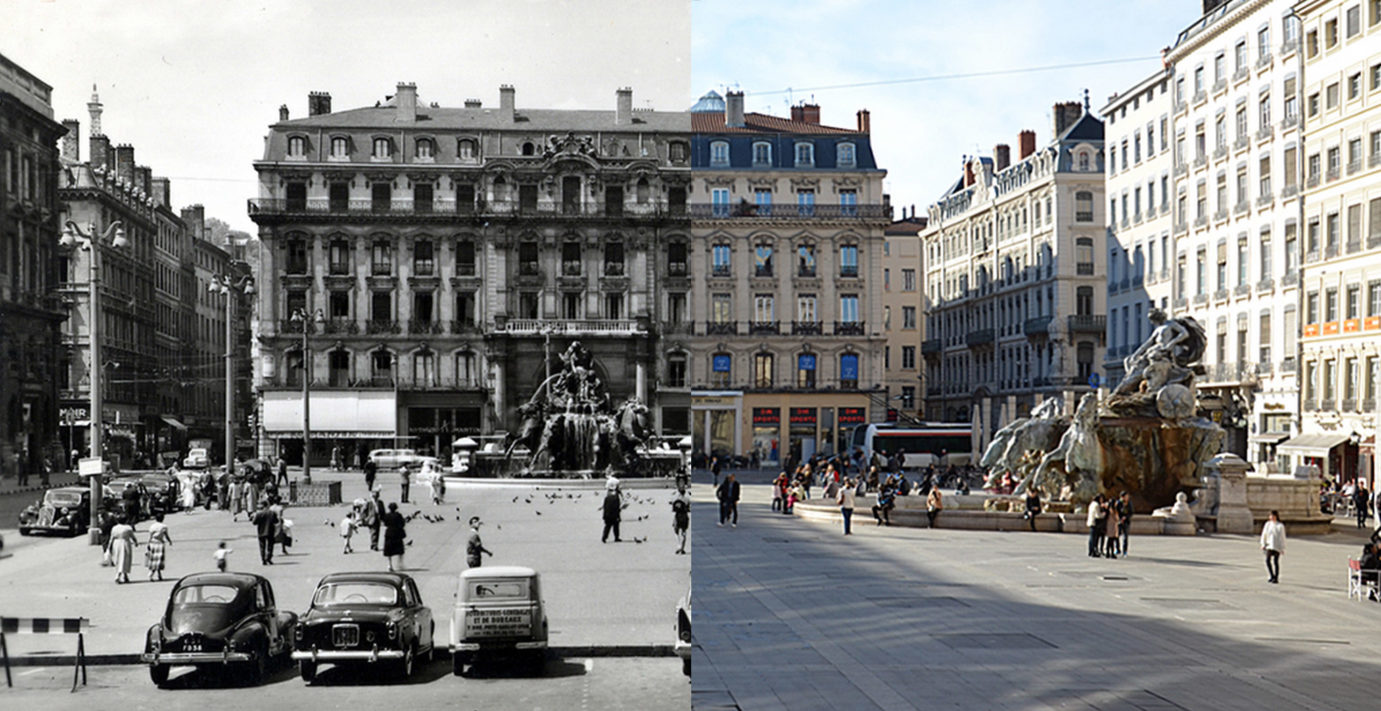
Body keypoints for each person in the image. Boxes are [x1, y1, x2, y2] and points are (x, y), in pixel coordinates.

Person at [109, 516, 137, 584]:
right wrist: (135, 542)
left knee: (118, 559)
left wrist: (109, 546)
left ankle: (125, 576)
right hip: (125, 543)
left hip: (116, 543)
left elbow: (111, 538)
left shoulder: (114, 528)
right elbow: (132, 536)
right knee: (125, 559)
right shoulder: (127, 528)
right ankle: (118, 576)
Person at [1260, 509, 1285, 584]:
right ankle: (1271, 575)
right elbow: (1264, 534)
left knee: (1275, 562)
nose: (1272, 517)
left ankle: (1276, 577)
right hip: (1269, 545)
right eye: (1271, 516)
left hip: (1276, 546)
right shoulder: (1267, 524)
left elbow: (1282, 537)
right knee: (1267, 560)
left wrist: (1282, 548)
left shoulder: (1280, 526)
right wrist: (1263, 544)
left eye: (1273, 516)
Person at [145, 513, 172, 582]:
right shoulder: (164, 526)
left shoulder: (152, 526)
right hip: (160, 544)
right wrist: (169, 541)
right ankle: (151, 574)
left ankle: (159, 575)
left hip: (153, 543)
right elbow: (166, 535)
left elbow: (150, 536)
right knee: (159, 560)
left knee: (153, 559)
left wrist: (148, 543)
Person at [251, 500, 279, 565]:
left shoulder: (259, 513)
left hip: (261, 532)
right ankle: (268, 558)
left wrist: (253, 517)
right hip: (270, 531)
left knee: (262, 546)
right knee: (270, 545)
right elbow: (276, 521)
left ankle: (263, 559)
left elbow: (254, 522)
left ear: (262, 506)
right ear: (267, 505)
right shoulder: (272, 513)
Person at [381, 502, 407, 572]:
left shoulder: (387, 515)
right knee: (400, 550)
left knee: (389, 551)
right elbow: (402, 523)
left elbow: (385, 523)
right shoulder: (398, 515)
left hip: (389, 533)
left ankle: (389, 565)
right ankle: (400, 564)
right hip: (397, 533)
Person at [671, 481, 691, 555]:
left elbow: (673, 508)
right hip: (685, 516)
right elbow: (689, 508)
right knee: (684, 532)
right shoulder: (687, 498)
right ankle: (682, 548)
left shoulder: (675, 498)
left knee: (676, 531)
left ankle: (679, 545)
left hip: (677, 516)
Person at [1117, 491, 1134, 556]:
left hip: (1126, 522)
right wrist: (1120, 518)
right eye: (1126, 496)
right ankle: (1117, 549)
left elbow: (1131, 512)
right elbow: (1116, 512)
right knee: (1117, 536)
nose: (1127, 498)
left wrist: (1126, 517)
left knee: (1125, 537)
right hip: (1119, 521)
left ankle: (1125, 551)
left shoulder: (1129, 503)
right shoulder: (1119, 503)